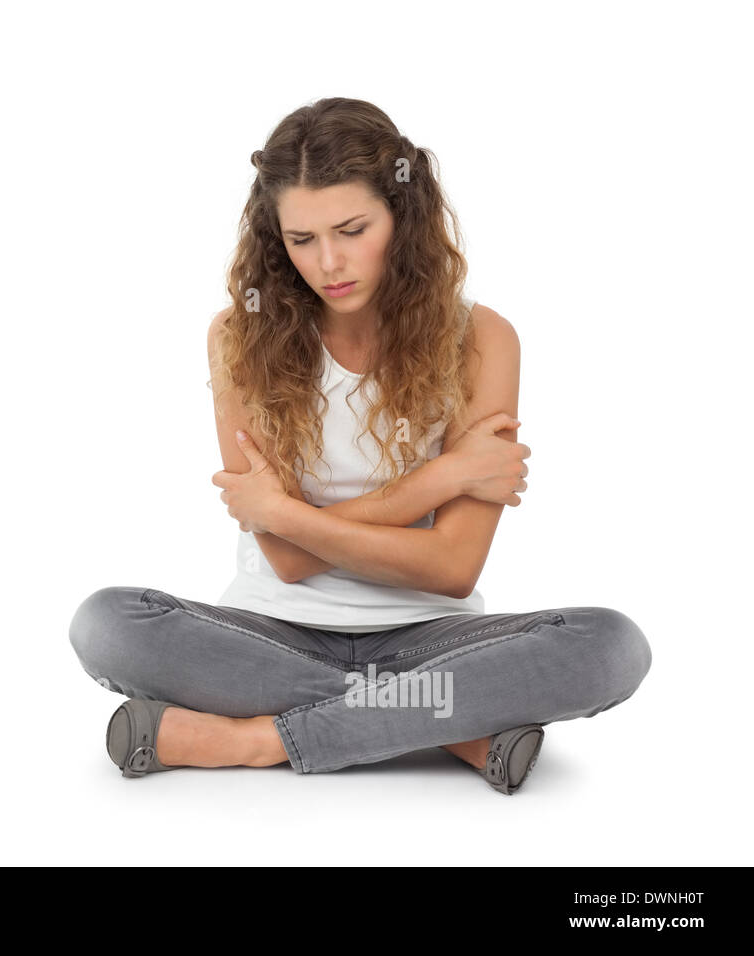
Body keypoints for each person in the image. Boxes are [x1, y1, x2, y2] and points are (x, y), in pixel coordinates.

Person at [67, 97, 651, 795]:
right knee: (107, 625)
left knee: (610, 647)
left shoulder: (481, 340)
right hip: (270, 632)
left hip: (433, 641)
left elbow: (452, 568)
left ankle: (256, 740)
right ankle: (451, 724)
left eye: (351, 229)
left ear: (402, 217)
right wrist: (441, 479)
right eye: (302, 238)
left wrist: (287, 515)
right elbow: (283, 560)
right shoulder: (240, 335)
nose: (329, 262)